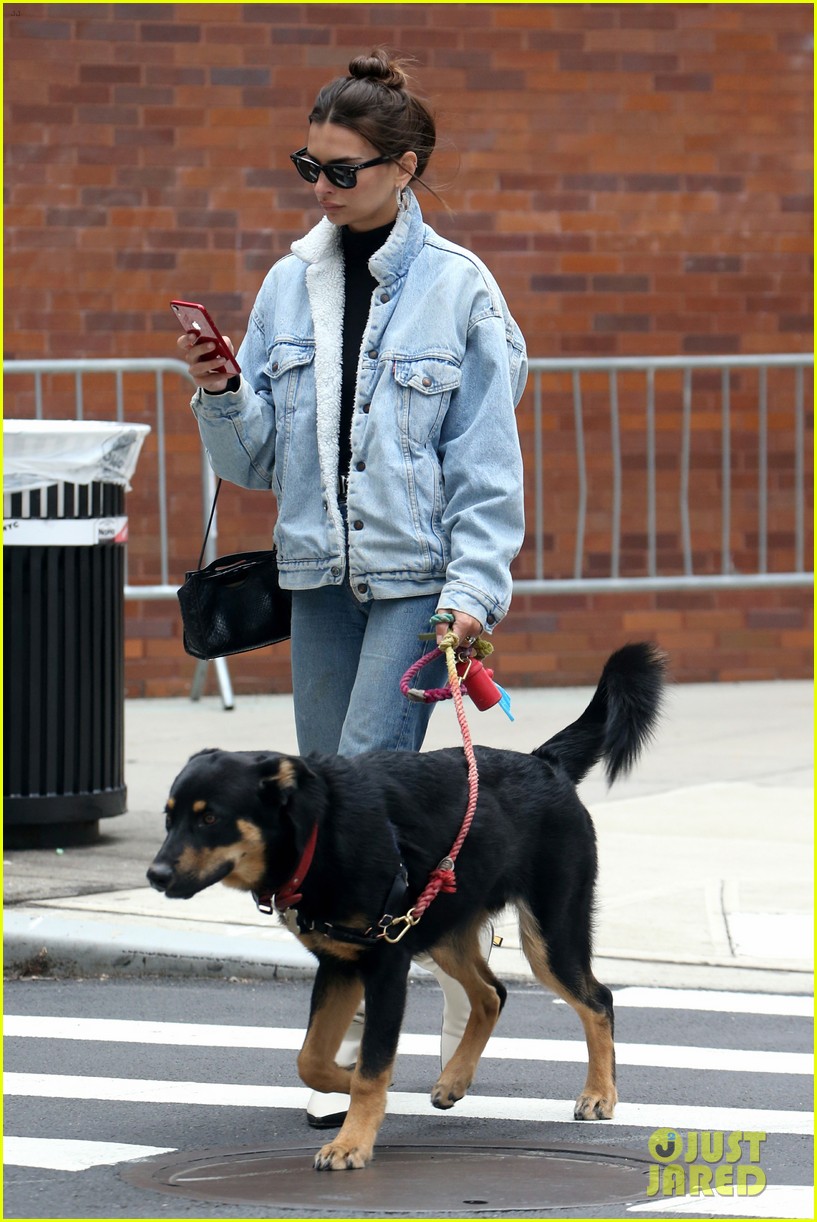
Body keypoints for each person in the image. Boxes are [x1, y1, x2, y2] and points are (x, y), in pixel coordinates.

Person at [178, 49, 526, 1128]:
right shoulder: (292, 282)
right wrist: (223, 392)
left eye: (342, 172)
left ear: (403, 167)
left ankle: (352, 1065)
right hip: (317, 579)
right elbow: (260, 464)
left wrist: (474, 590)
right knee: (321, 815)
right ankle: (416, 977)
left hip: (416, 586)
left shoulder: (459, 287)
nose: (321, 191)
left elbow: (485, 462)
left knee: (364, 793)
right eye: (307, 169)